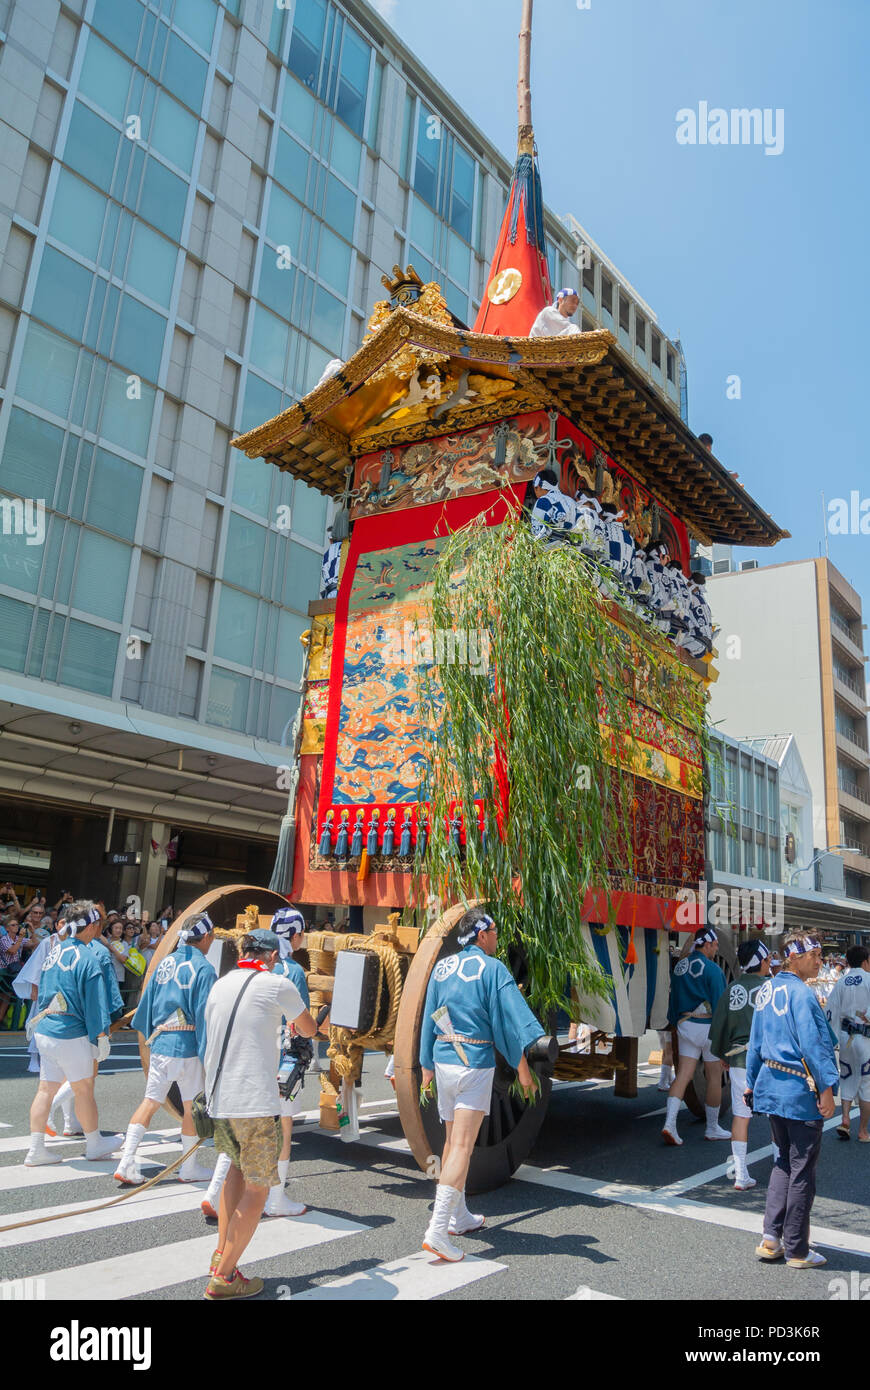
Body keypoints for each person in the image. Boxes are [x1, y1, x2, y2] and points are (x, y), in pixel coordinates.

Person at [419, 907, 543, 1262]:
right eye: (495, 932)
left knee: (450, 1142)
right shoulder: (493, 969)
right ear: (482, 935)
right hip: (473, 1064)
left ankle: (459, 1216)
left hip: (443, 1062)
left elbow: (430, 1013)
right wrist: (522, 1069)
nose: (497, 938)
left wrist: (426, 1064)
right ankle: (437, 1229)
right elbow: (509, 1023)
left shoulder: (442, 966)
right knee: (462, 1147)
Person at [201, 928, 317, 1300]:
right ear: (270, 957)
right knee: (258, 1187)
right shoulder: (276, 983)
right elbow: (308, 1028)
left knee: (235, 1170)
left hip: (220, 1101)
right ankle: (225, 1275)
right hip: (255, 1102)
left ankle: (222, 1252)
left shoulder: (220, 985)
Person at [746, 932, 838, 1269]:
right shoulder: (802, 993)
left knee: (783, 1162)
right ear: (794, 958)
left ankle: (771, 1238)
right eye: (814, 954)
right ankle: (797, 1248)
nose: (819, 960)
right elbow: (815, 1044)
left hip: (771, 1085)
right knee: (802, 1169)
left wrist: (752, 1083)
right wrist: (827, 1087)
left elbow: (755, 1042)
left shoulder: (767, 989)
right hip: (799, 1089)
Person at [115, 913, 217, 1185]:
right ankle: (188, 1167)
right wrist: (210, 1056)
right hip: (188, 1047)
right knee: (191, 1106)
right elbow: (205, 1014)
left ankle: (126, 1162)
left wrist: (151, 1035)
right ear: (206, 937)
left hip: (161, 1043)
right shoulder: (204, 968)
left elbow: (146, 1001)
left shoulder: (165, 962)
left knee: (150, 1101)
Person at [25, 907, 120, 1166]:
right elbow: (94, 1004)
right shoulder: (88, 958)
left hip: (46, 1029)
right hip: (72, 1034)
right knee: (84, 1089)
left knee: (45, 1089)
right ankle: (94, 1144)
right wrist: (100, 1035)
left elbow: (43, 990)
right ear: (90, 927)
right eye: (98, 926)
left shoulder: (55, 951)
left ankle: (36, 1150)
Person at [46, 903, 125, 1139]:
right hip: (82, 1026)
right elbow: (100, 996)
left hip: (53, 1023)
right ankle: (58, 1116)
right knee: (84, 1078)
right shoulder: (95, 952)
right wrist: (103, 1029)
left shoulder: (58, 948)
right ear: (94, 926)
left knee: (64, 1076)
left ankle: (71, 1123)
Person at [709, 939, 772, 1190]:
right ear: (762, 961)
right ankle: (781, 1163)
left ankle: (741, 1174)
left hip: (737, 1059)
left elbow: (720, 1025)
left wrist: (725, 1055)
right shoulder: (772, 988)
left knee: (740, 1115)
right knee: (775, 1115)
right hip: (767, 1060)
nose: (770, 965)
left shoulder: (733, 988)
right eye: (768, 960)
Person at [662, 926, 729, 1145]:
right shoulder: (713, 970)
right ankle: (712, 1127)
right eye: (715, 944)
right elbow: (720, 1005)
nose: (716, 948)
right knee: (713, 1076)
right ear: (707, 944)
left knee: (683, 1076)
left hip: (685, 1026)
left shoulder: (680, 966)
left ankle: (670, 1124)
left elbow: (672, 999)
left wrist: (673, 1024)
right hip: (708, 1027)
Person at [825, 944, 870, 1142]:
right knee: (867, 1084)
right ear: (865, 960)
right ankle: (862, 1130)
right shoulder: (869, 980)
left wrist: (830, 1039)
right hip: (866, 1037)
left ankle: (844, 1119)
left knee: (847, 1076)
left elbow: (830, 1012)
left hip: (845, 1037)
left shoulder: (841, 982)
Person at [529, 469, 578, 547]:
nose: (535, 492)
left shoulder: (544, 501)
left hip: (550, 551)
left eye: (535, 488)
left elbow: (537, 532)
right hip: (570, 550)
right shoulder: (571, 501)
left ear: (539, 486)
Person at [0, 916, 26, 1027]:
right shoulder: (4, 939)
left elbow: (34, 944)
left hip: (12, 974)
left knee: (6, 998)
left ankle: (1, 1019)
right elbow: (12, 950)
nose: (16, 927)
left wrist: (34, 931)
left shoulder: (18, 938)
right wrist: (20, 938)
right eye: (13, 925)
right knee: (3, 998)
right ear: (7, 928)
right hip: (3, 973)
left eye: (17, 925)